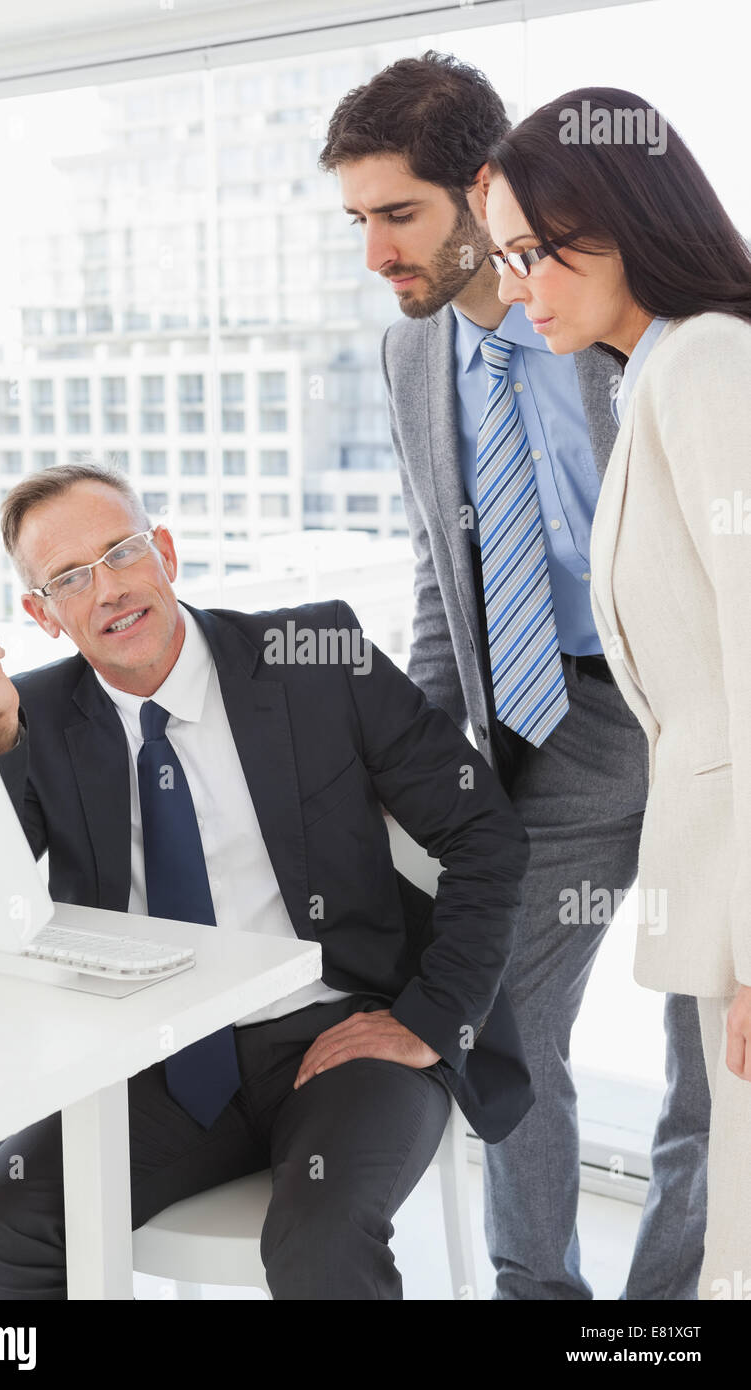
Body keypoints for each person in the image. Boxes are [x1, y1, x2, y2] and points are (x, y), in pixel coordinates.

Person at [0, 460, 533, 1301]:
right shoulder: (31, 716)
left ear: (167, 554)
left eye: (123, 552)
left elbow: (484, 833)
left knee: (320, 1242)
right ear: (42, 614)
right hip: (161, 1063)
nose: (107, 589)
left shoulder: (316, 655)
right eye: (70, 578)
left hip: (343, 1031)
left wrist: (429, 1021)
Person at [319, 52, 710, 1300]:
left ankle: (668, 1309)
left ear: (481, 193)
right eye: (357, 222)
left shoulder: (641, 325)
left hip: (704, 711)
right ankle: (535, 1294)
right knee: (504, 1021)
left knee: (707, 1038)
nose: (376, 255)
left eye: (398, 215)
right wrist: (433, 769)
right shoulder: (410, 357)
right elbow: (443, 578)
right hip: (562, 725)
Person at [484, 85, 751, 1301]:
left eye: (535, 253)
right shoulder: (646, 373)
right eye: (501, 259)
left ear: (626, 217)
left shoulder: (704, 364)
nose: (515, 287)